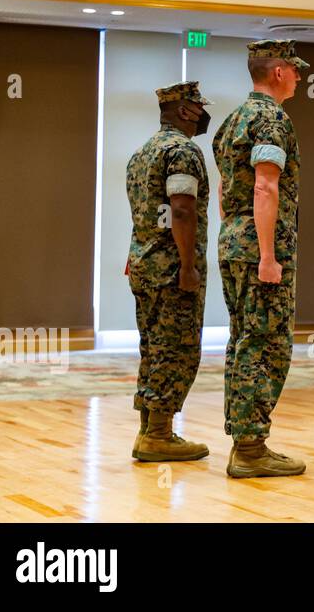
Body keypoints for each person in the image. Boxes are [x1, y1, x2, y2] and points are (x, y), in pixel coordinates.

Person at [212, 39, 308, 477]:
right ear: (278, 73)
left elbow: (222, 189)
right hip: (259, 249)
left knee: (242, 340)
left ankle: (245, 440)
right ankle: (251, 449)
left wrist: (235, 238)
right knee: (267, 343)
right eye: (296, 70)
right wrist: (267, 255)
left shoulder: (232, 121)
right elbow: (264, 187)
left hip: (233, 242)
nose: (301, 77)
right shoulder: (272, 120)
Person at [124, 80, 212, 462]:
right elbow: (181, 210)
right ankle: (159, 433)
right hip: (173, 268)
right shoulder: (182, 151)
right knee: (176, 348)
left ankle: (148, 429)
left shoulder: (142, 153)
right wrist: (189, 265)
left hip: (145, 263)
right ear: (186, 111)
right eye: (200, 107)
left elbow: (143, 214)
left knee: (153, 346)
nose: (205, 114)